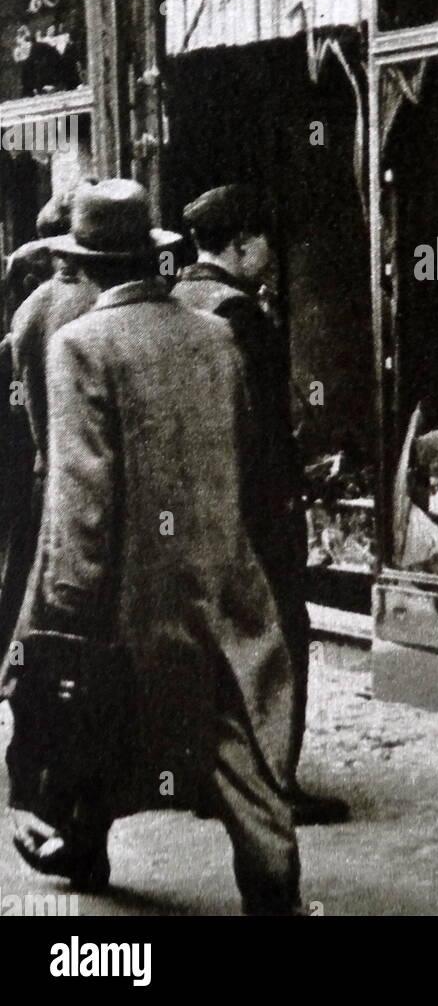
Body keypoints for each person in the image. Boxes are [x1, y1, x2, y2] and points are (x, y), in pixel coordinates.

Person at [7, 180, 303, 915]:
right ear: (152, 256)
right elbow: (248, 455)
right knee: (231, 729)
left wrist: (63, 611)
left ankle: (78, 838)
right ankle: (273, 881)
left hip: (128, 590)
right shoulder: (217, 336)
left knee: (97, 712)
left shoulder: (81, 346)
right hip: (222, 572)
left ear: (84, 264)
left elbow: (81, 503)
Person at [174, 184, 347, 825]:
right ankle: (275, 781)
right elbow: (270, 431)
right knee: (278, 640)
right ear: (243, 244)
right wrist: (296, 495)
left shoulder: (174, 302)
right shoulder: (242, 317)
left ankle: (208, 778)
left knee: (208, 643)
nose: (274, 254)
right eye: (266, 241)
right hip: (254, 507)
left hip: (189, 508)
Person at [0, 188, 98, 698]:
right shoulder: (92, 303)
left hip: (44, 474)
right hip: (86, 479)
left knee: (31, 598)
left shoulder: (29, 310)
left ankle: (29, 708)